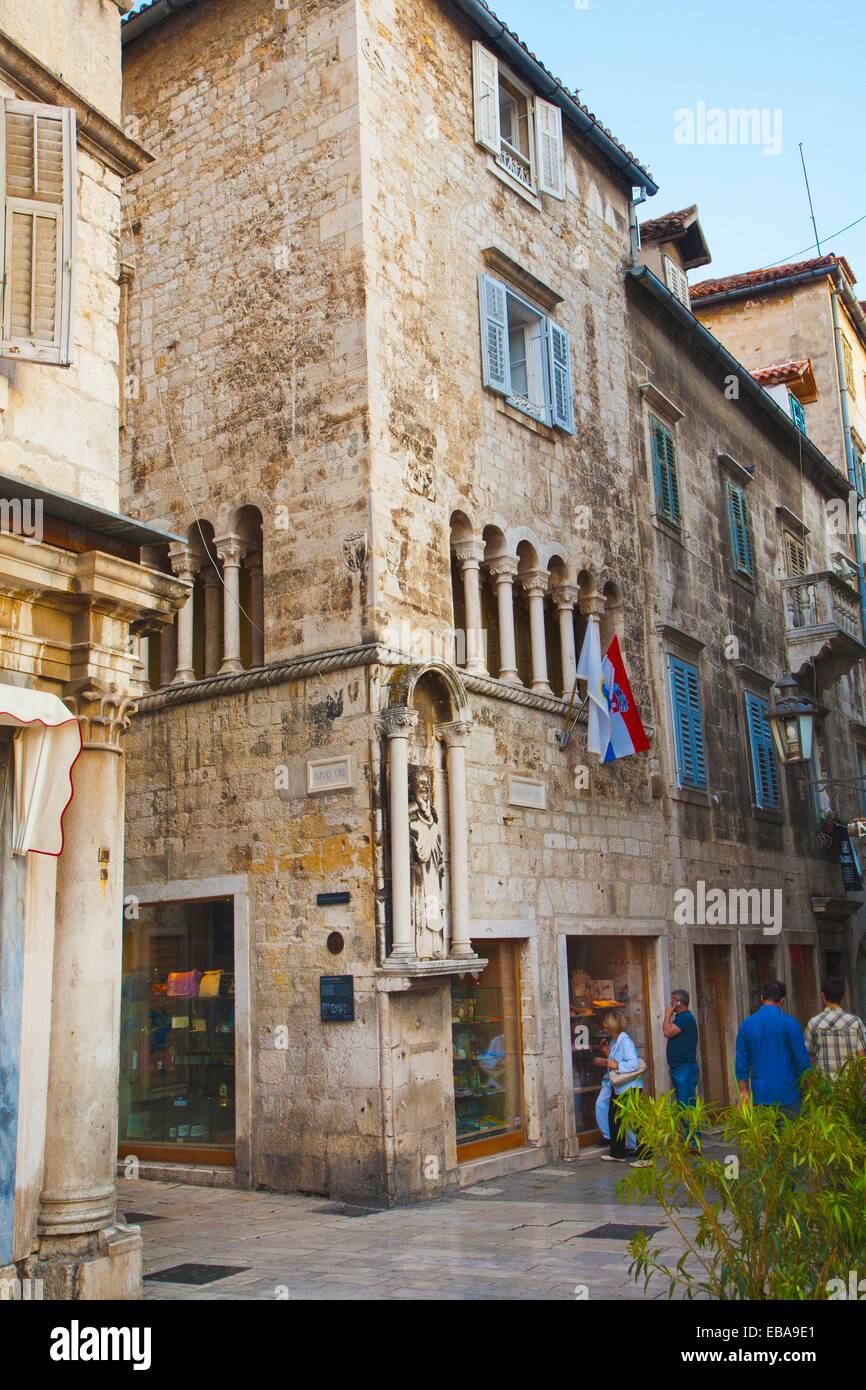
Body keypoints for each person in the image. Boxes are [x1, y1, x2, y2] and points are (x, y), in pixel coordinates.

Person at [735, 979, 811, 1116]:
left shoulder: (747, 1024)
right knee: (790, 1135)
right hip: (788, 1092)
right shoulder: (790, 1024)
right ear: (782, 1000)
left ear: (761, 998)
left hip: (760, 1094)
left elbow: (741, 1061)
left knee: (765, 1136)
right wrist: (811, 1086)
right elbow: (802, 1059)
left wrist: (743, 1090)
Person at [600, 1011, 649, 1167]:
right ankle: (617, 1152)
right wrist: (608, 1054)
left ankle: (647, 1156)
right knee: (615, 1119)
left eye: (606, 1023)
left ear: (613, 1025)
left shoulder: (625, 1041)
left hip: (630, 1088)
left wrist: (617, 1065)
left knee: (635, 1121)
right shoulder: (615, 1041)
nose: (604, 1026)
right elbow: (613, 1059)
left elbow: (633, 1064)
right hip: (620, 1087)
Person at [804, 977, 866, 1078]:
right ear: (842, 995)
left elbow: (811, 1057)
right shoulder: (855, 1022)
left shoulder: (814, 1023)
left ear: (823, 995)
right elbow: (861, 1055)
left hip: (825, 1086)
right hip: (851, 1086)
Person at [663, 988, 699, 1109]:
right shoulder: (681, 1018)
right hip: (679, 1068)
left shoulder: (685, 1017)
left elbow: (667, 1032)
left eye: (672, 1002)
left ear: (678, 1003)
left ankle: (692, 1129)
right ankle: (688, 1128)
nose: (670, 1005)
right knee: (683, 1105)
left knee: (686, 1105)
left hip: (684, 1068)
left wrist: (667, 1016)